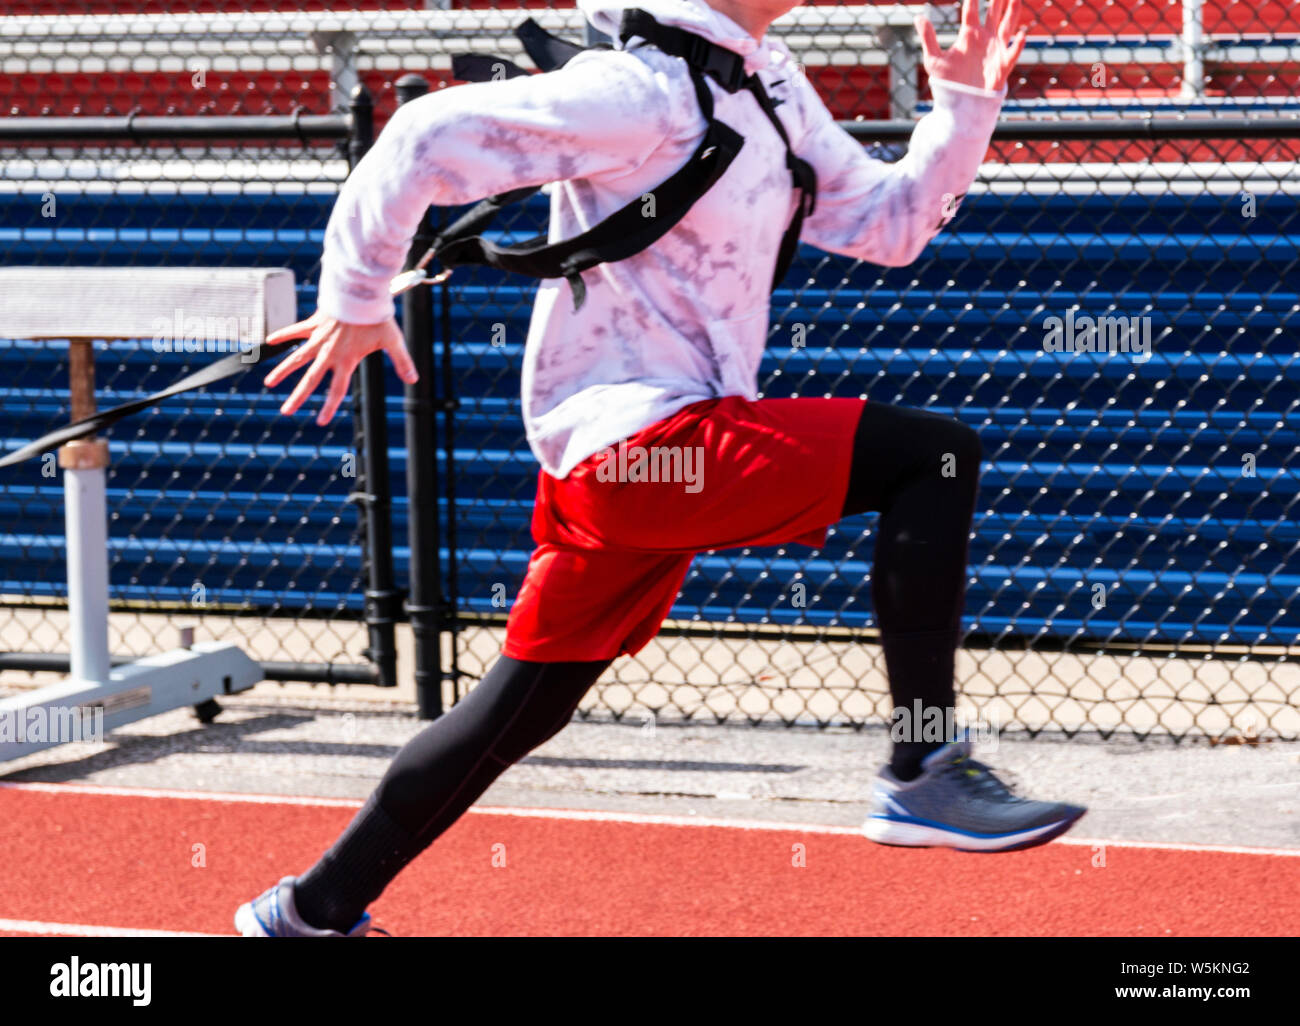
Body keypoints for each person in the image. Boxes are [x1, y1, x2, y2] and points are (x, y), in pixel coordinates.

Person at [235, 0, 1084, 938]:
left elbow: (890, 226)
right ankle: (924, 767)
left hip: (649, 454)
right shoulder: (637, 89)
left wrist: (962, 109)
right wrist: (355, 294)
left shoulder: (768, 86)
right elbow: (421, 135)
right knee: (933, 455)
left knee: (520, 710)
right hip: (636, 449)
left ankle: (311, 911)